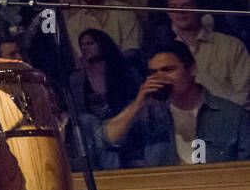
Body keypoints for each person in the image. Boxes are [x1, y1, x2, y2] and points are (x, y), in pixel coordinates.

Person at [100, 43, 250, 168]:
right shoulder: (148, 114)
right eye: (153, 72)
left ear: (192, 69)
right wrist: (138, 103)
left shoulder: (232, 115)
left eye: (168, 70)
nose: (160, 77)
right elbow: (108, 140)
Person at [160, 0, 250, 107]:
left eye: (186, 5)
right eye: (173, 7)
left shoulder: (230, 44)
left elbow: (245, 91)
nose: (180, 11)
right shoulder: (165, 55)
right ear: (168, 13)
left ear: (199, 9)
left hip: (233, 119)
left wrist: (229, 119)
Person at [66, 29, 142, 169]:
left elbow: (136, 102)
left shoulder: (126, 71)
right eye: (82, 45)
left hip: (126, 127)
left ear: (103, 44)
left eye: (90, 43)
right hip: (94, 135)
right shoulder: (77, 79)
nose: (84, 48)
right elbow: (78, 113)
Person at [65, 0, 141, 62]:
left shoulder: (124, 11)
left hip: (126, 67)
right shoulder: (74, 23)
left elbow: (132, 49)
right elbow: (83, 57)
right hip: (96, 72)